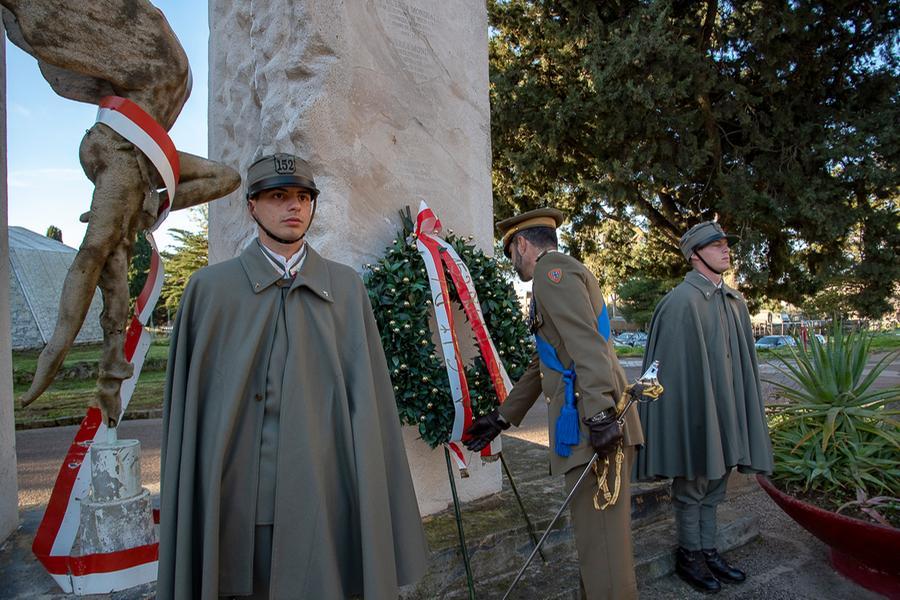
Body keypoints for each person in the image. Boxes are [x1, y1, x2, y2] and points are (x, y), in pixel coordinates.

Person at [158, 153, 428, 599]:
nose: (294, 207)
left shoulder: (345, 290)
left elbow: (368, 404)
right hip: (235, 501)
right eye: (278, 196)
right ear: (252, 206)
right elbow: (192, 410)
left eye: (303, 197)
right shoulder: (210, 291)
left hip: (323, 497)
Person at [464, 208, 643, 600]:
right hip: (590, 421)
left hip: (592, 424)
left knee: (607, 558)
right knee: (598, 551)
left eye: (510, 251)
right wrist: (501, 417)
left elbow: (586, 345)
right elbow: (547, 360)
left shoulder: (551, 274)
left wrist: (598, 413)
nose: (512, 261)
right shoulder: (557, 274)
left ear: (522, 244)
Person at [634, 221, 773, 594]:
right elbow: (662, 369)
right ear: (695, 255)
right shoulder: (680, 302)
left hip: (727, 411)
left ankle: (708, 551)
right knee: (693, 485)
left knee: (715, 484)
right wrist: (651, 413)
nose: (725, 250)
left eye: (726, 244)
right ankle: (689, 555)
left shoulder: (734, 301)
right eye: (716, 245)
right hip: (694, 414)